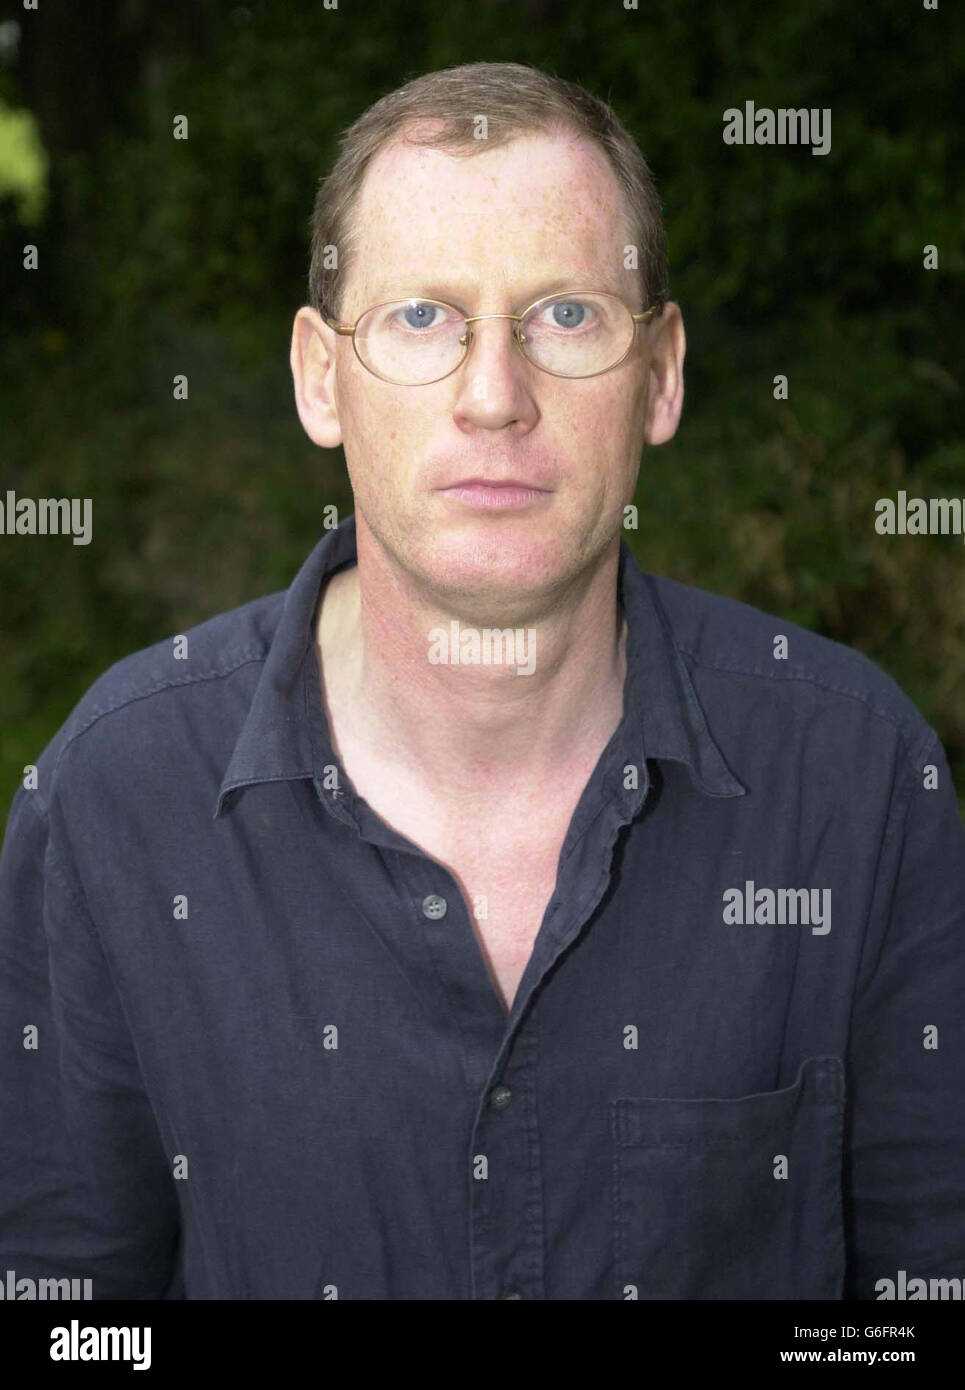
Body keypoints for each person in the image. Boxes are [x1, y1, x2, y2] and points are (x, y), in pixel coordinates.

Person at [1, 61, 962, 1302]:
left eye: (564, 315)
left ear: (659, 376)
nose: (493, 397)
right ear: (317, 378)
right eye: (420, 319)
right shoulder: (111, 802)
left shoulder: (857, 782)